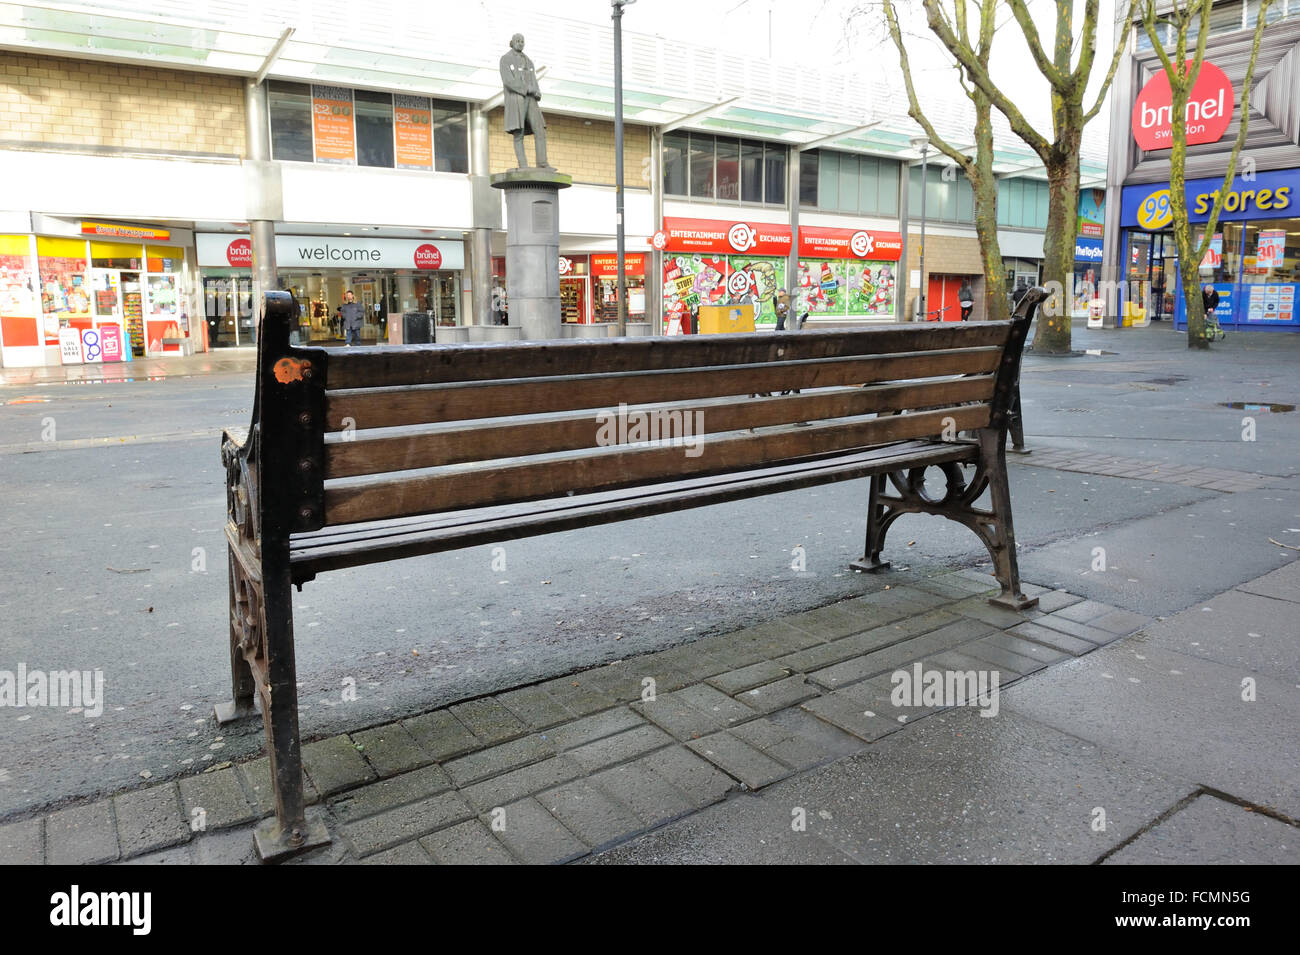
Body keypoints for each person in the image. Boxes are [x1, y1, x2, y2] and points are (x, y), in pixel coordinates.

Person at [500, 34, 549, 169]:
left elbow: (533, 79)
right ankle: (523, 166)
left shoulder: (529, 61)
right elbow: (508, 81)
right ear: (512, 42)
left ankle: (543, 163)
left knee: (540, 130)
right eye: (518, 41)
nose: (520, 43)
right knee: (519, 133)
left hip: (531, 99)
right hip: (517, 99)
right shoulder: (505, 59)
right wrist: (526, 89)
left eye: (522, 41)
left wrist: (537, 92)